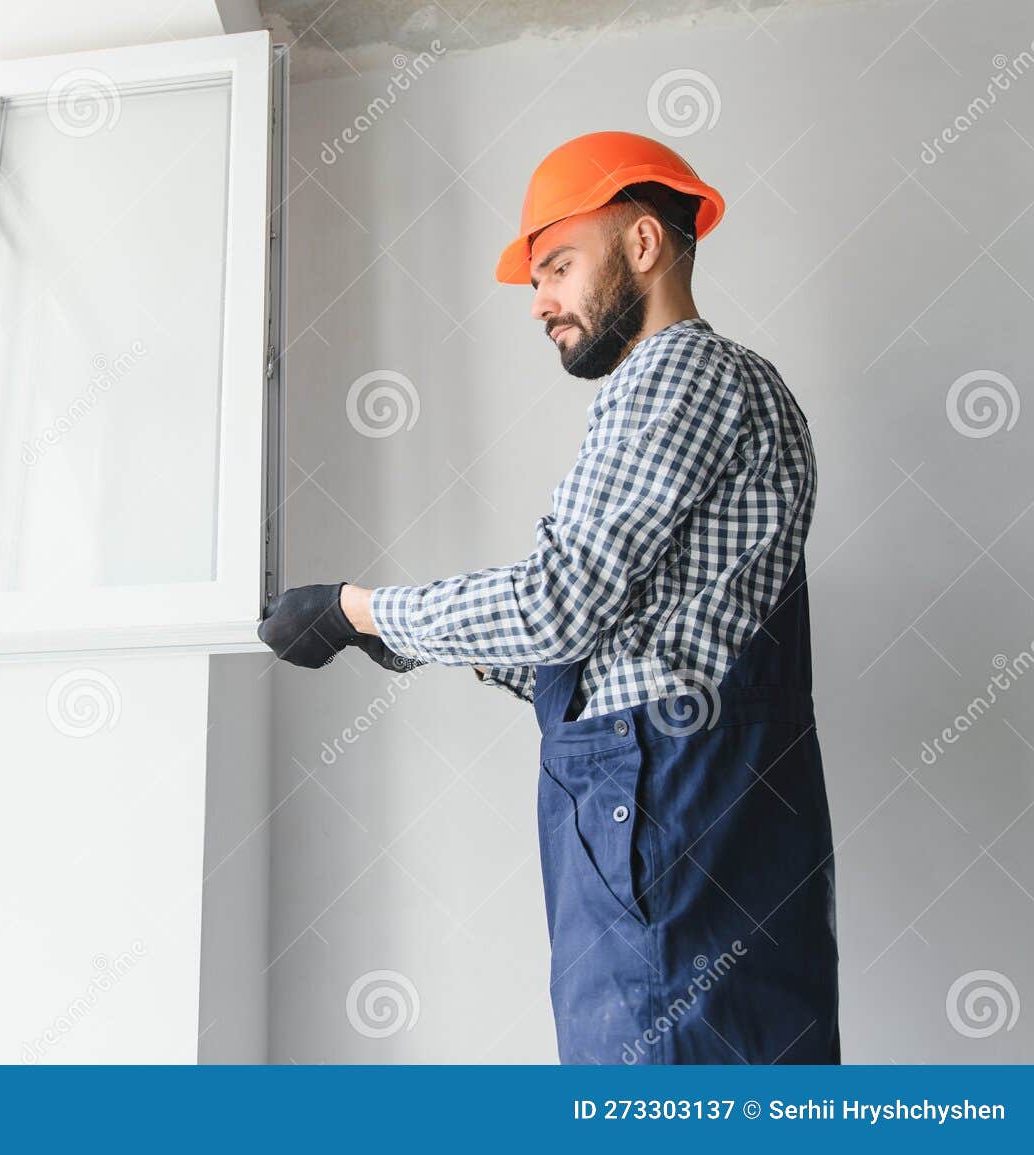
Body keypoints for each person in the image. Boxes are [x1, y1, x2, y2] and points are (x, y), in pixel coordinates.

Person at [258, 131, 839, 1065]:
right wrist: (404, 641)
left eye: (559, 266)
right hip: (711, 812)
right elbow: (617, 646)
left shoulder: (676, 377)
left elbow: (559, 604)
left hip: (660, 812)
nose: (541, 304)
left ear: (644, 246)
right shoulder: (741, 387)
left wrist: (360, 608)